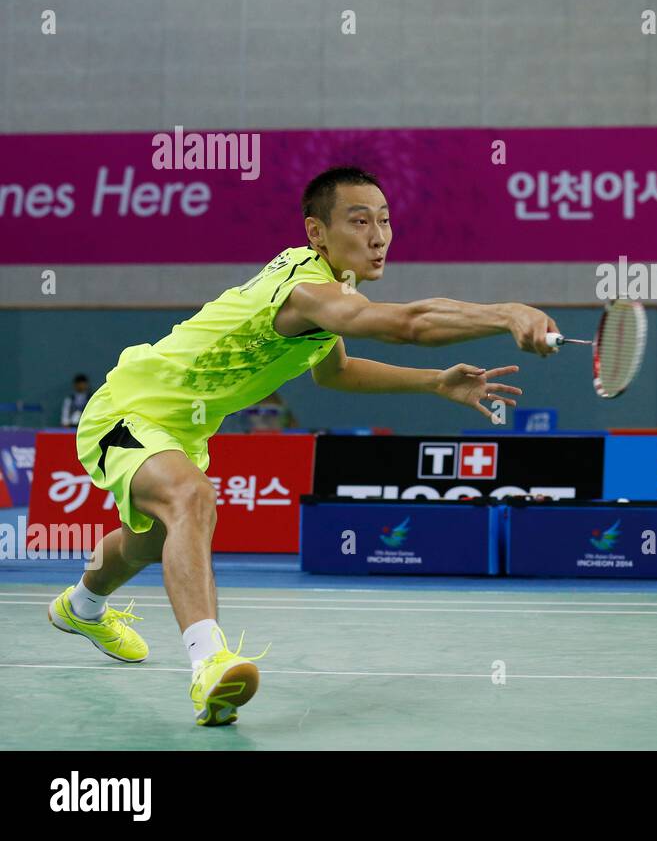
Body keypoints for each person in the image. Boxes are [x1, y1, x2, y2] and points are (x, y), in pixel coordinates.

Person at [50, 166, 560, 726]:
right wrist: (506, 313)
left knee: (149, 544)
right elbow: (408, 324)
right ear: (317, 232)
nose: (378, 236)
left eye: (385, 221)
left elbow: (335, 373)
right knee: (191, 499)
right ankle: (209, 664)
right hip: (129, 409)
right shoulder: (305, 285)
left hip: (184, 430)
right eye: (359, 221)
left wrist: (434, 382)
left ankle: (81, 607)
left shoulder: (333, 291)